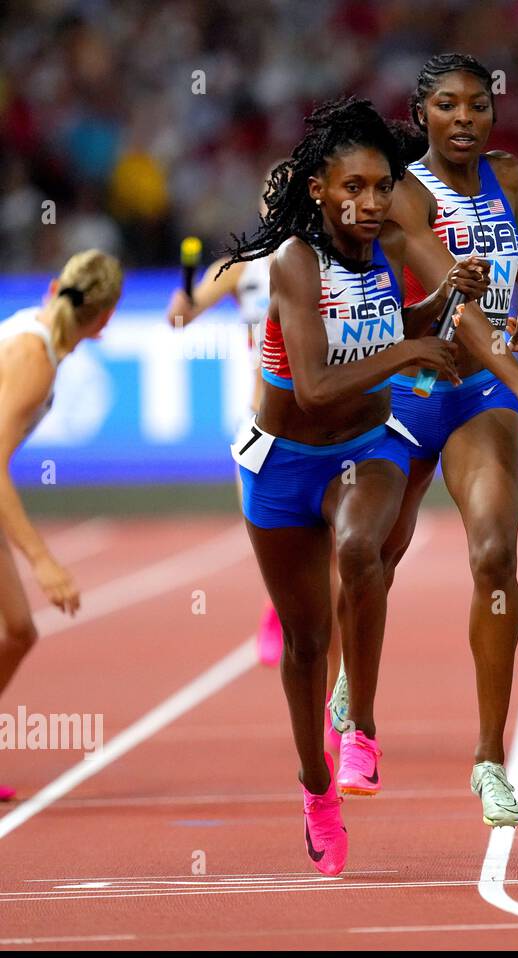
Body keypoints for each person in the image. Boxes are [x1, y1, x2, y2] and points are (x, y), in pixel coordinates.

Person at [223, 96, 477, 875]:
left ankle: (360, 725)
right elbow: (316, 386)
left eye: (382, 187)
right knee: (303, 643)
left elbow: (392, 329)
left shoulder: (387, 248)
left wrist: (443, 301)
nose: (370, 203)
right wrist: (411, 354)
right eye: (354, 188)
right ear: (318, 192)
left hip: (367, 448)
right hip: (282, 459)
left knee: (363, 548)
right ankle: (315, 788)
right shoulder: (294, 263)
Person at [327, 53, 518, 830]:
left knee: (494, 556)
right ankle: (358, 716)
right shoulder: (403, 190)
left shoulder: (505, 175)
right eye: (447, 105)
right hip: (401, 388)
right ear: (422, 115)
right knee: (366, 551)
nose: (465, 117)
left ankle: (489, 760)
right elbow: (456, 310)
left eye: (477, 104)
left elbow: (497, 259)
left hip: (479, 395)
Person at [0, 249, 123, 801]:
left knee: (16, 632)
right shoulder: (36, 358)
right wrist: (43, 561)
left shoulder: (37, 332)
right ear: (105, 321)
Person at [166, 171, 282, 666]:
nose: (278, 203)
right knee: (262, 527)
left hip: (318, 412)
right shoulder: (243, 267)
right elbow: (180, 316)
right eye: (270, 196)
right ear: (260, 205)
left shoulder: (332, 260)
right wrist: (184, 303)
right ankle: (277, 606)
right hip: (259, 417)